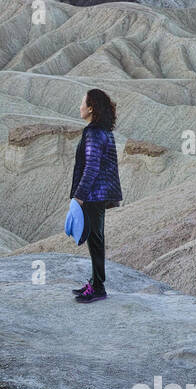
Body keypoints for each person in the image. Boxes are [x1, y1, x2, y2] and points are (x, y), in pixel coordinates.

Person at [69, 89, 122, 303]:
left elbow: (91, 167)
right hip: (100, 193)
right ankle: (95, 282)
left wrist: (79, 196)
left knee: (96, 240)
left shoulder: (93, 132)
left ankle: (98, 288)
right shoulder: (104, 131)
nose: (79, 107)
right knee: (95, 238)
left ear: (91, 108)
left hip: (93, 194)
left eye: (82, 103)